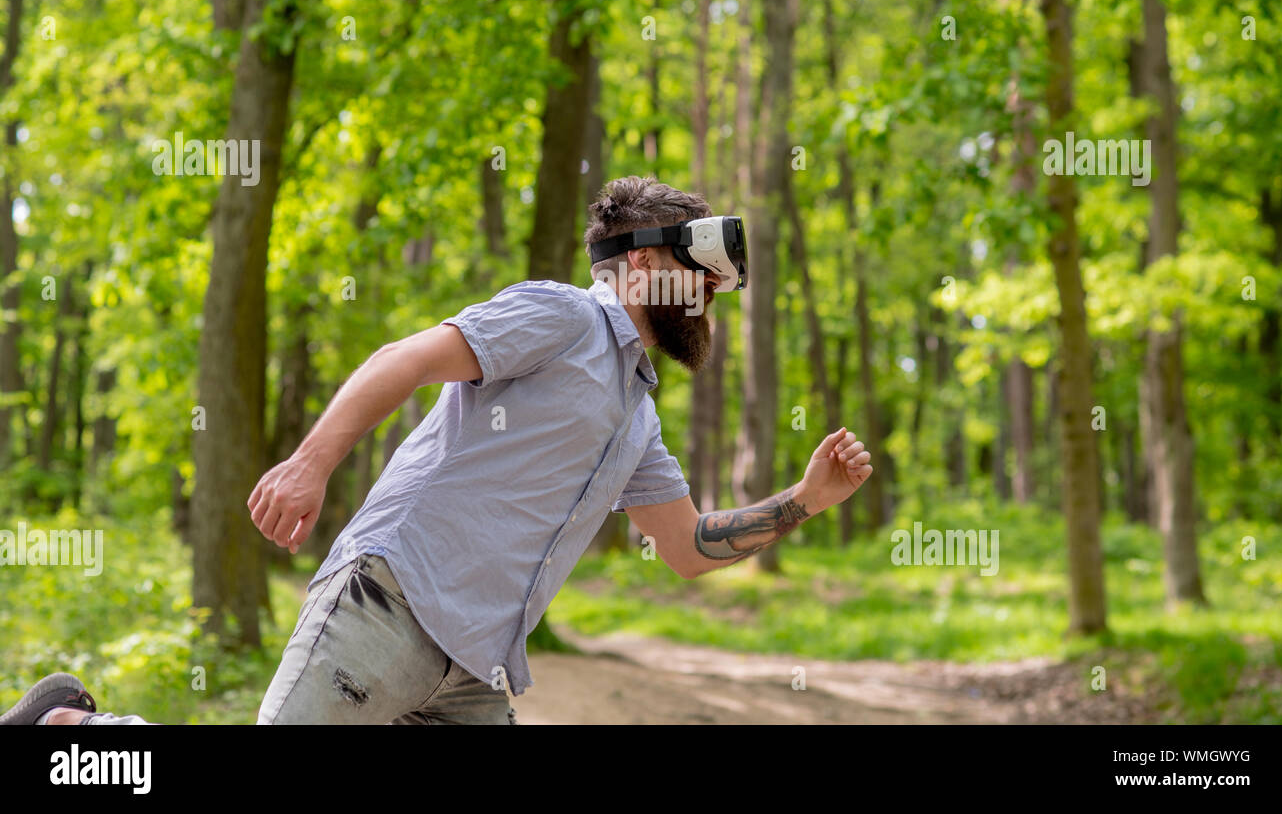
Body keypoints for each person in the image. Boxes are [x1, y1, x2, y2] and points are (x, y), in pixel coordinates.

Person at [2, 176, 872, 726]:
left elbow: (684, 546)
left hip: (473, 675)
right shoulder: (563, 315)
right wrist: (310, 463)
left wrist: (804, 499)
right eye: (699, 278)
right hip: (392, 603)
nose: (708, 305)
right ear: (643, 263)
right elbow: (405, 360)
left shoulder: (636, 415)